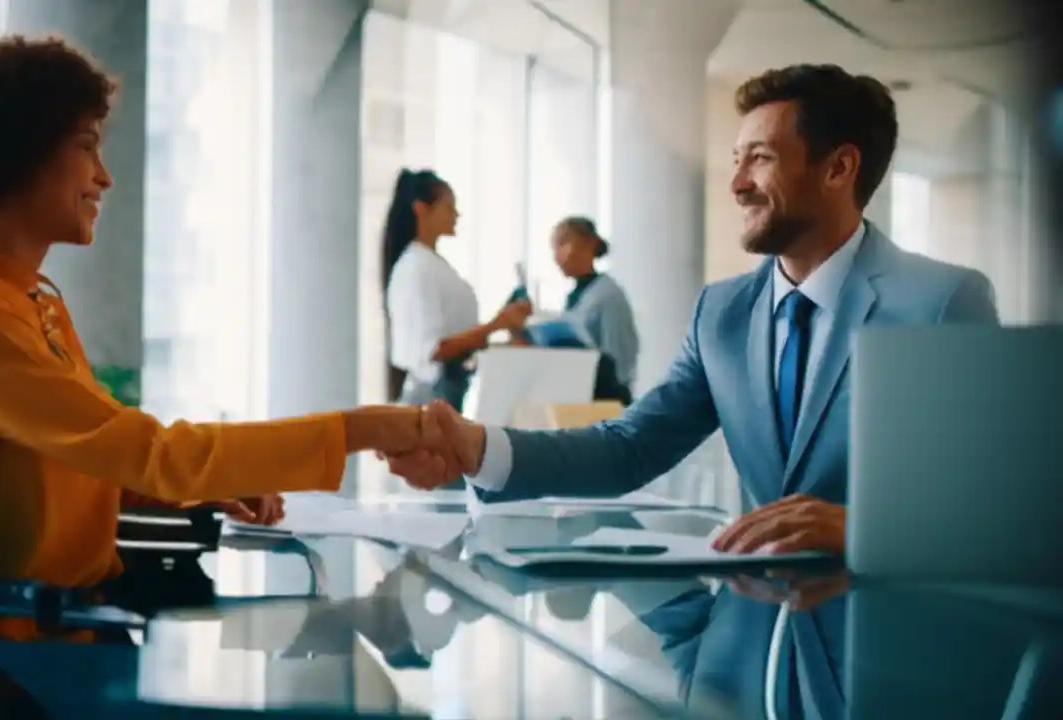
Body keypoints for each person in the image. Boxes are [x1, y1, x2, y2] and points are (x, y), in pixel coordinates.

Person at [0, 36, 459, 629]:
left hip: (74, 621)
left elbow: (90, 463)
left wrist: (193, 491)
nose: (103, 178)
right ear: (16, 148)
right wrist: (362, 428)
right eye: (86, 147)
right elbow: (143, 450)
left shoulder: (32, 299)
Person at [387, 64, 999, 556]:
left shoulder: (942, 302)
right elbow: (632, 445)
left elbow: (992, 503)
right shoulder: (723, 313)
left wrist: (861, 529)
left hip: (894, 653)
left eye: (759, 158)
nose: (736, 184)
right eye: (736, 159)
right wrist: (478, 446)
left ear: (839, 167)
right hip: (756, 644)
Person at [383, 169, 532, 412]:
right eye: (449, 207)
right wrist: (497, 324)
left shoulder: (431, 264)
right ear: (421, 209)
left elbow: (456, 337)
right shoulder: (417, 267)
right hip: (431, 398)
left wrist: (502, 326)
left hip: (448, 394)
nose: (456, 215)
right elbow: (432, 349)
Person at [529, 216, 639, 405]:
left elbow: (621, 356)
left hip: (605, 399)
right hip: (579, 394)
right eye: (554, 248)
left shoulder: (608, 295)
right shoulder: (575, 296)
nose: (557, 256)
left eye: (563, 243)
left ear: (589, 244)